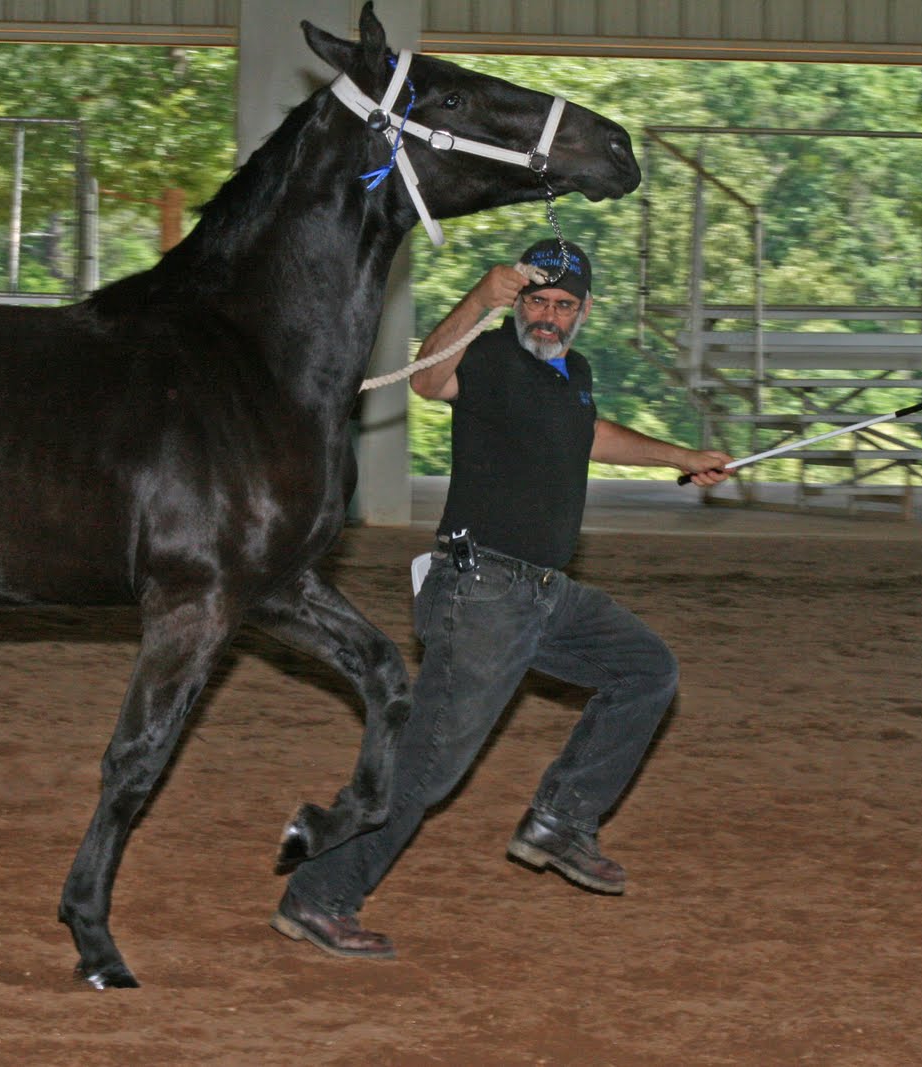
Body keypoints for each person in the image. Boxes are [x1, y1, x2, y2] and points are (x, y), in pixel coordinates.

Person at [271, 238, 731, 958]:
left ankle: (559, 819)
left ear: (582, 311)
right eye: (537, 301)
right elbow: (428, 381)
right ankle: (318, 896)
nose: (547, 316)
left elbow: (590, 436)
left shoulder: (572, 374)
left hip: (546, 595)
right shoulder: (489, 359)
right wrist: (479, 301)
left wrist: (681, 457)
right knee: (428, 765)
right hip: (482, 589)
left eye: (562, 305)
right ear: (518, 301)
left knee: (646, 669)